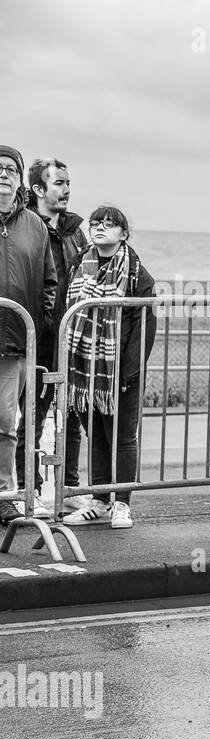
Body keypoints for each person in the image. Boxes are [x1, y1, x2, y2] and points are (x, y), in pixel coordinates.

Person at [60, 206, 156, 530]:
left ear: (123, 234)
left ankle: (122, 504)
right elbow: (65, 310)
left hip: (122, 371)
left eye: (109, 224)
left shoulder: (136, 274)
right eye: (96, 223)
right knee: (97, 435)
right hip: (85, 371)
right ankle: (100, 499)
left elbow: (144, 327)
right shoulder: (78, 265)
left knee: (124, 437)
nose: (100, 227)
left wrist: (128, 372)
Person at [19, 158, 90, 517]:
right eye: (58, 183)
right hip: (41, 336)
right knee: (32, 414)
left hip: (73, 337)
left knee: (72, 414)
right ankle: (26, 490)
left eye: (67, 182)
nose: (66, 189)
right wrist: (45, 320)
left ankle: (70, 487)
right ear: (38, 190)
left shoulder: (77, 230)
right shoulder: (28, 226)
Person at [0, 144, 56, 527]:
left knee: (6, 426)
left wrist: (42, 320)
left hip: (16, 344)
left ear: (20, 179)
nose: (3, 174)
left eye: (10, 169)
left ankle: (4, 496)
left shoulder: (35, 226)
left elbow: (50, 281)